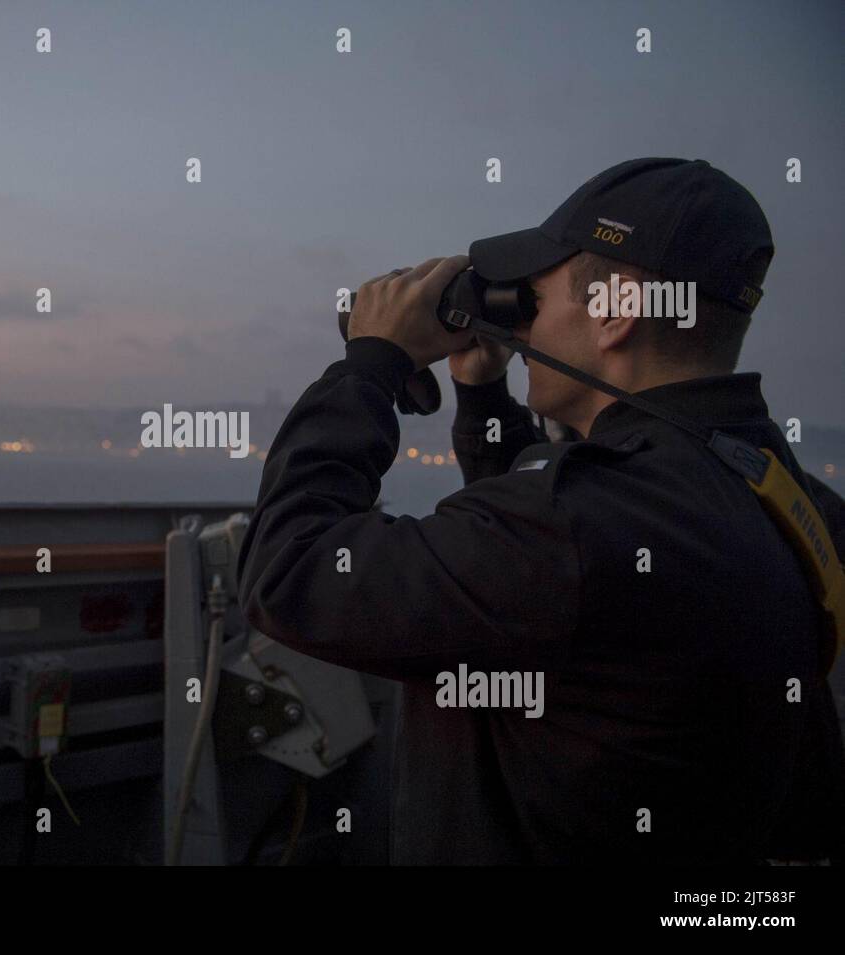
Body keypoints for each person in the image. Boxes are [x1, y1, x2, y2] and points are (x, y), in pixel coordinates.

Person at [236, 157, 845, 864]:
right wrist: (485, 397)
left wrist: (369, 367)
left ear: (615, 312)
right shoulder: (778, 488)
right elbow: (551, 590)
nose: (522, 318)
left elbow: (288, 571)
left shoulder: (579, 527)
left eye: (536, 292)